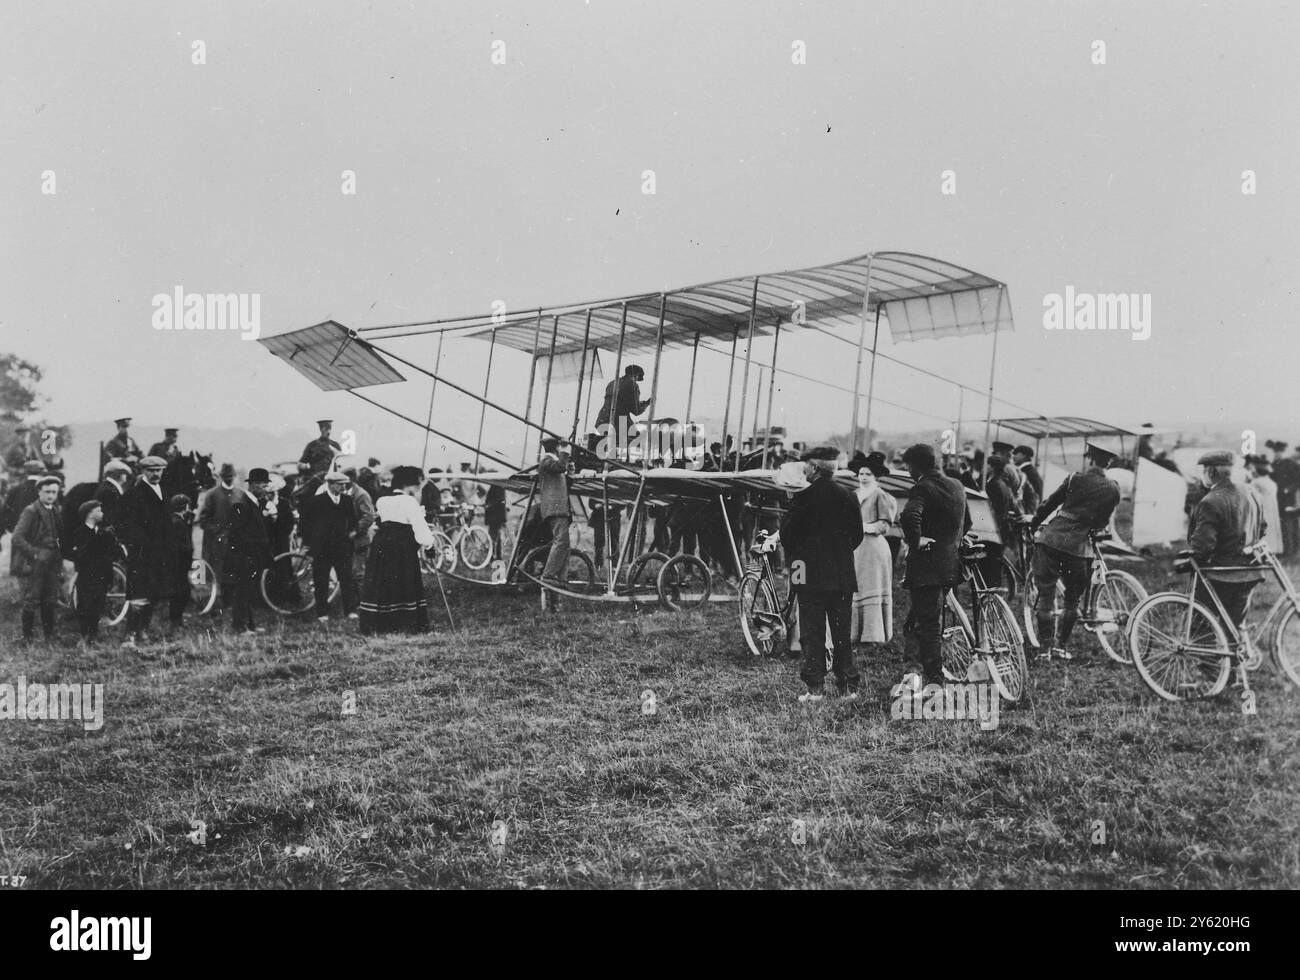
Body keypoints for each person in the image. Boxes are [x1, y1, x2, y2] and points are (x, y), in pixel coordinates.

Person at [759, 448, 863, 700]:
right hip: (841, 573)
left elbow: (788, 535)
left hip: (805, 573)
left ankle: (815, 688)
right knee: (841, 632)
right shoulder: (849, 495)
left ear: (814, 469)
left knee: (812, 631)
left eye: (806, 466)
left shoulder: (802, 498)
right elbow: (857, 535)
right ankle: (848, 687)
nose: (804, 469)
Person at [1028, 443, 1121, 660]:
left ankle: (1044, 650)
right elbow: (1102, 520)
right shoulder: (1113, 488)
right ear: (1109, 463)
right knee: (1072, 600)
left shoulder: (1074, 479)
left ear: (1090, 459)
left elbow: (1049, 504)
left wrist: (1035, 524)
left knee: (1046, 596)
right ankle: (1061, 646)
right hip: (1080, 548)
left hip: (1052, 539)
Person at [898, 444, 971, 689]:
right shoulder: (956, 485)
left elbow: (909, 517)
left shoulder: (922, 487)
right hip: (950, 565)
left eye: (908, 467)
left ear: (914, 466)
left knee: (927, 625)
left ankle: (934, 681)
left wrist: (916, 541)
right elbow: (967, 522)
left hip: (927, 567)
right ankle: (913, 670)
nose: (907, 471)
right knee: (918, 619)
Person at [1188, 451, 1265, 632]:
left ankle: (1208, 659)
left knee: (1202, 622)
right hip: (1250, 571)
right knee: (1234, 624)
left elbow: (1203, 545)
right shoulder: (1252, 492)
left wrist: (1191, 558)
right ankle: (1235, 657)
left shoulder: (1210, 501)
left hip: (1221, 573)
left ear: (1211, 472)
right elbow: (1262, 529)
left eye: (1205, 470)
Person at [359, 465, 435, 635]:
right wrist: (429, 545)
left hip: (383, 545)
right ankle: (405, 623)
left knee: (384, 582)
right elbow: (420, 528)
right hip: (402, 546)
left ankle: (382, 623)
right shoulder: (409, 501)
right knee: (404, 582)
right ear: (410, 486)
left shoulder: (382, 500)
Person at [117, 456, 175, 648]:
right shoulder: (133, 495)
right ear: (143, 472)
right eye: (151, 470)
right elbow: (126, 525)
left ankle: (143, 631)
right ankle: (130, 635)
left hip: (160, 554)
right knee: (138, 595)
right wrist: (141, 545)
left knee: (153, 594)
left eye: (159, 470)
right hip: (142, 554)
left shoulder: (164, 493)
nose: (155, 474)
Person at [849, 452, 897, 647]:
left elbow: (885, 524)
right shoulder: (853, 494)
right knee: (855, 586)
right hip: (855, 548)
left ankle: (873, 634)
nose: (863, 477)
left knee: (871, 587)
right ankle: (854, 633)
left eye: (868, 474)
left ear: (875, 476)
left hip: (873, 549)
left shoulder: (881, 495)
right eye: (861, 473)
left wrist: (866, 527)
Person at [300, 469, 359, 621]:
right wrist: (308, 544)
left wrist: (352, 533)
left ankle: (350, 610)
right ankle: (322, 612)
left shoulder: (347, 500)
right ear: (330, 484)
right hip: (321, 548)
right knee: (321, 580)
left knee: (346, 579)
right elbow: (305, 524)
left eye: (345, 484)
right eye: (340, 484)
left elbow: (353, 521)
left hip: (342, 547)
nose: (343, 487)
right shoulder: (315, 501)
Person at [10, 476, 65, 642]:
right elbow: (17, 537)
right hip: (36, 562)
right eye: (47, 492)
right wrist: (34, 553)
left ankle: (49, 636)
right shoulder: (31, 511)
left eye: (54, 492)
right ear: (39, 492)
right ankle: (27, 637)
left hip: (53, 561)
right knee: (32, 599)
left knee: (50, 598)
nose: (50, 496)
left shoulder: (54, 510)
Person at [225, 468, 276, 634]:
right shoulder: (242, 504)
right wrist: (251, 553)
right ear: (253, 485)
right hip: (244, 557)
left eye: (267, 485)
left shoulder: (253, 503)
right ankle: (240, 626)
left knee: (249, 591)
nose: (266, 489)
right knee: (242, 591)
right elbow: (237, 535)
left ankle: (250, 624)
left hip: (252, 556)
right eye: (263, 485)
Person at [194, 463, 248, 609]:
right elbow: (203, 520)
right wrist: (218, 531)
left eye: (231, 476)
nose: (229, 479)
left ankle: (228, 600)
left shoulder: (240, 494)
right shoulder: (212, 494)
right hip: (216, 542)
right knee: (216, 571)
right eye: (226, 476)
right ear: (221, 477)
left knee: (232, 571)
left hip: (235, 541)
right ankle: (214, 601)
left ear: (235, 476)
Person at [71, 500, 119, 642]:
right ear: (90, 515)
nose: (102, 513)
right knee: (86, 605)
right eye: (99, 511)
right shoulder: (80, 533)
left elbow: (110, 552)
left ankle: (93, 634)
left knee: (98, 605)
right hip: (87, 576)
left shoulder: (102, 532)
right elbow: (82, 555)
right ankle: (85, 635)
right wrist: (99, 539)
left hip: (102, 574)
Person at [537, 436, 573, 609]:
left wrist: (569, 471)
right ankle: (549, 575)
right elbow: (560, 467)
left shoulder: (552, 463)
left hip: (559, 508)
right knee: (562, 542)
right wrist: (566, 451)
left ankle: (561, 578)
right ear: (557, 447)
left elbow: (564, 479)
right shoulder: (547, 460)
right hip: (555, 509)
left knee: (564, 545)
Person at [593, 364, 652, 459]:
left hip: (602, 420)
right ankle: (627, 463)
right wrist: (647, 403)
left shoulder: (613, 383)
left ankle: (613, 457)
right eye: (637, 378)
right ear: (635, 375)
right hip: (618, 422)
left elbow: (621, 401)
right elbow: (636, 411)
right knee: (638, 440)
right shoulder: (632, 385)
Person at [165, 494, 195, 634]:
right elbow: (183, 546)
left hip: (176, 564)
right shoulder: (179, 523)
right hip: (179, 565)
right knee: (181, 594)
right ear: (186, 507)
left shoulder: (175, 521)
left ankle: (177, 621)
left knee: (180, 593)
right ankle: (175, 622)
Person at [1246, 457, 1284, 553]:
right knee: (1271, 528)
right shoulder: (1271, 482)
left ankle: (1262, 549)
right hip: (1272, 508)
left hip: (1263, 508)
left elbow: (1249, 493)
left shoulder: (1256, 482)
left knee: (1262, 528)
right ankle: (1272, 548)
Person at [346, 467, 376, 581]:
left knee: (358, 572)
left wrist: (355, 530)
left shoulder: (361, 495)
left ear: (352, 479)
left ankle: (362, 597)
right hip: (348, 538)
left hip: (359, 539)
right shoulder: (345, 493)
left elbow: (369, 516)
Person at [3, 459, 46, 534]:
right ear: (41, 473)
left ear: (26, 473)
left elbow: (5, 512)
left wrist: (11, 529)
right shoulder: (48, 491)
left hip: (18, 533)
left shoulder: (15, 490)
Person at [93, 460, 133, 532]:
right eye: (124, 473)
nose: (125, 476)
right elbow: (112, 518)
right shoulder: (110, 491)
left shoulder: (107, 487)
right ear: (118, 474)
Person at [589, 496, 621, 569]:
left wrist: (612, 506)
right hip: (599, 519)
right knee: (598, 543)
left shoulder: (617, 490)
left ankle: (614, 565)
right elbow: (591, 503)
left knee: (614, 542)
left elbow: (622, 505)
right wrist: (597, 506)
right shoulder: (597, 489)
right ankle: (598, 564)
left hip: (613, 518)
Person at [1012, 445, 1043, 514]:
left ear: (1024, 456)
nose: (1013, 457)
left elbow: (1034, 496)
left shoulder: (1027, 472)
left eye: (1016, 454)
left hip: (1026, 512)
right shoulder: (1030, 470)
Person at [484, 482, 508, 560]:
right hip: (495, 516)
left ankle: (495, 555)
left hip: (496, 516)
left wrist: (488, 506)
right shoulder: (498, 487)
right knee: (495, 536)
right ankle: (495, 555)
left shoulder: (498, 487)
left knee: (495, 536)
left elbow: (498, 500)